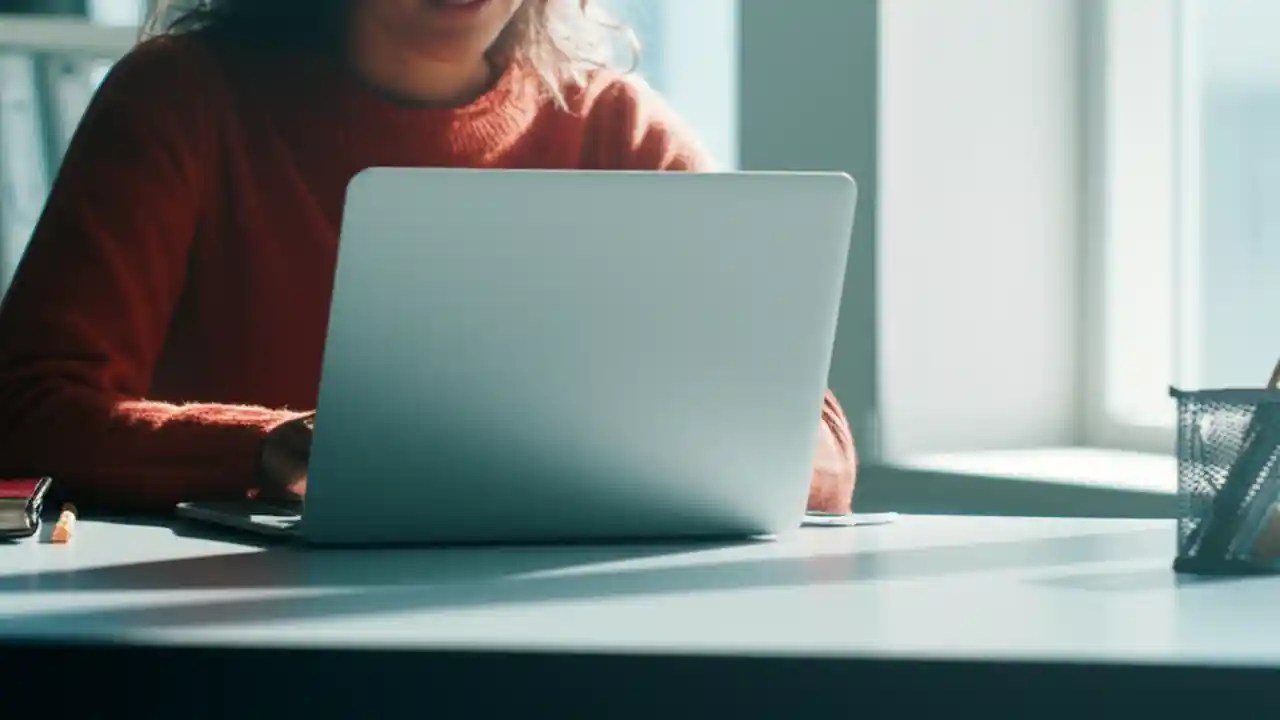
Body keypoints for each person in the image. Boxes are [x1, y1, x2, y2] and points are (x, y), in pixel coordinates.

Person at [0, 0, 857, 515]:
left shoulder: (618, 133)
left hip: (564, 640)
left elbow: (817, 452)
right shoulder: (180, 103)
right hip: (241, 639)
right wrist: (278, 449)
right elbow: (28, 409)